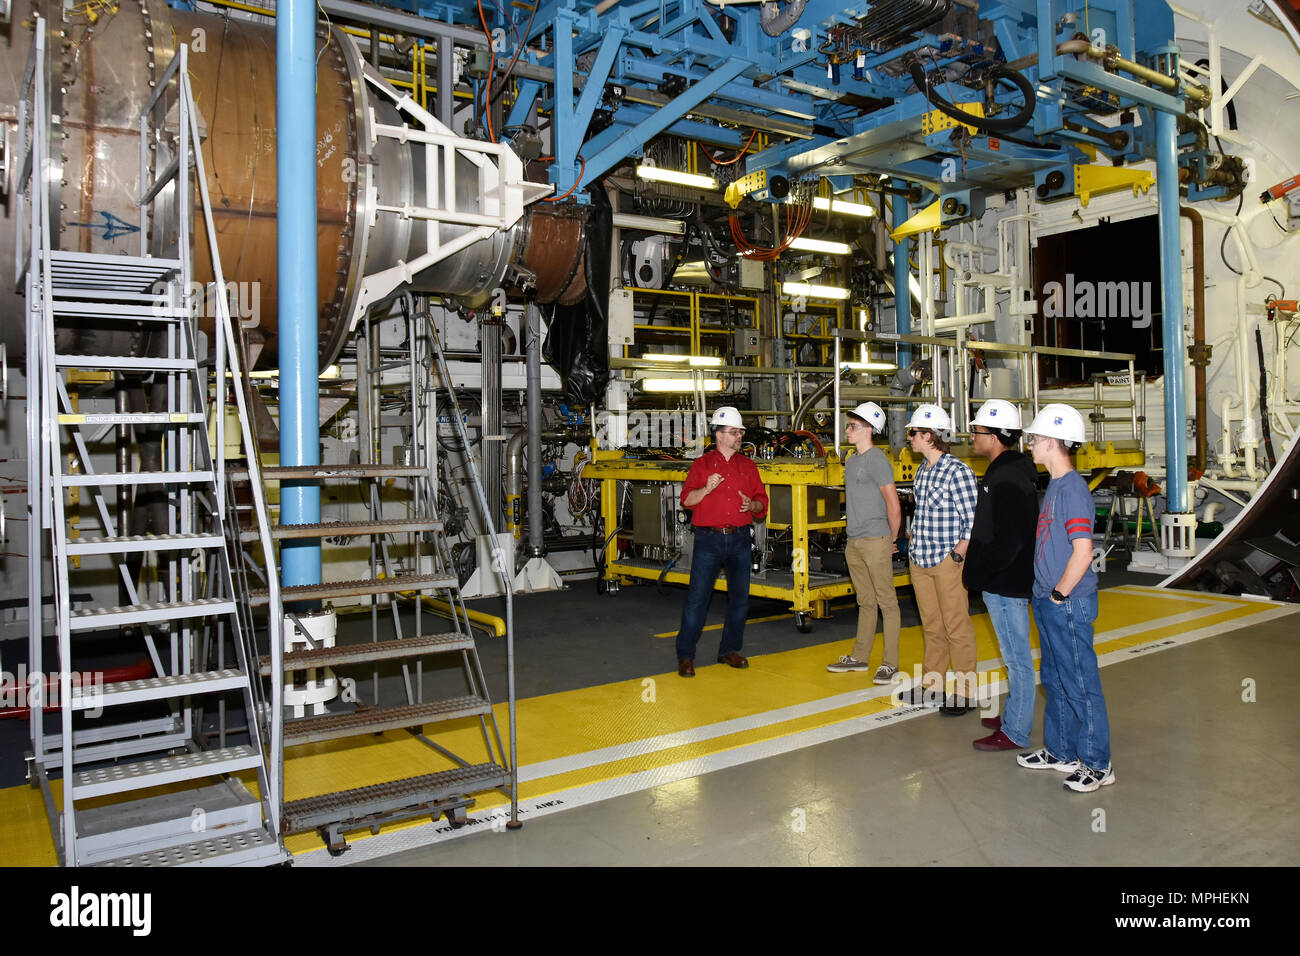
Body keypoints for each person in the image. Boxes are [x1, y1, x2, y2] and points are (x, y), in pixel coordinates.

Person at [1016, 403, 1114, 793]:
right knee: (1054, 680)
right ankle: (1061, 752)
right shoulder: (1055, 485)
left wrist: (1059, 594)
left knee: (1080, 683)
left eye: (1036, 439)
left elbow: (1082, 552)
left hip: (1067, 602)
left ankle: (1097, 762)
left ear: (1053, 442)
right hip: (1049, 600)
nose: (1032, 446)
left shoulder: (1072, 490)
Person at [963, 399, 1039, 752]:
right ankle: (1014, 714)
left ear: (993, 437)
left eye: (977, 431)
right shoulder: (1007, 470)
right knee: (1014, 654)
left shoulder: (1006, 476)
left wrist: (985, 572)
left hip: (1005, 583)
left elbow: (1012, 538)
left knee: (1016, 658)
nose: (973, 437)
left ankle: (1015, 730)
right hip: (1004, 581)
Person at [675, 406, 769, 678]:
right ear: (718, 434)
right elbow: (686, 501)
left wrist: (751, 504)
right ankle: (685, 655)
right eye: (734, 432)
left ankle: (729, 649)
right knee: (697, 600)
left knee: (739, 600)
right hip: (708, 540)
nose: (739, 436)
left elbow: (762, 505)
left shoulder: (748, 467)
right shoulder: (701, 465)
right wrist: (706, 489)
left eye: (740, 431)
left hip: (739, 539)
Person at [897, 404, 978, 715]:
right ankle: (934, 686)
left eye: (914, 433)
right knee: (932, 625)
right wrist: (914, 540)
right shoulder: (923, 470)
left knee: (956, 625)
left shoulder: (958, 472)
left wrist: (958, 553)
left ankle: (966, 692)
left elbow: (972, 520)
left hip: (947, 560)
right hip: (921, 559)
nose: (910, 439)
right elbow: (921, 513)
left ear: (929, 436)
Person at [827, 402, 902, 683]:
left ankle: (890, 663)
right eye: (848, 425)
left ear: (869, 429)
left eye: (853, 426)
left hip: (875, 539)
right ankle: (860, 657)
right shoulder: (852, 459)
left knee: (887, 602)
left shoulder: (878, 460)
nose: (847, 430)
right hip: (855, 541)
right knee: (866, 601)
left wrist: (892, 540)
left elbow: (894, 505)